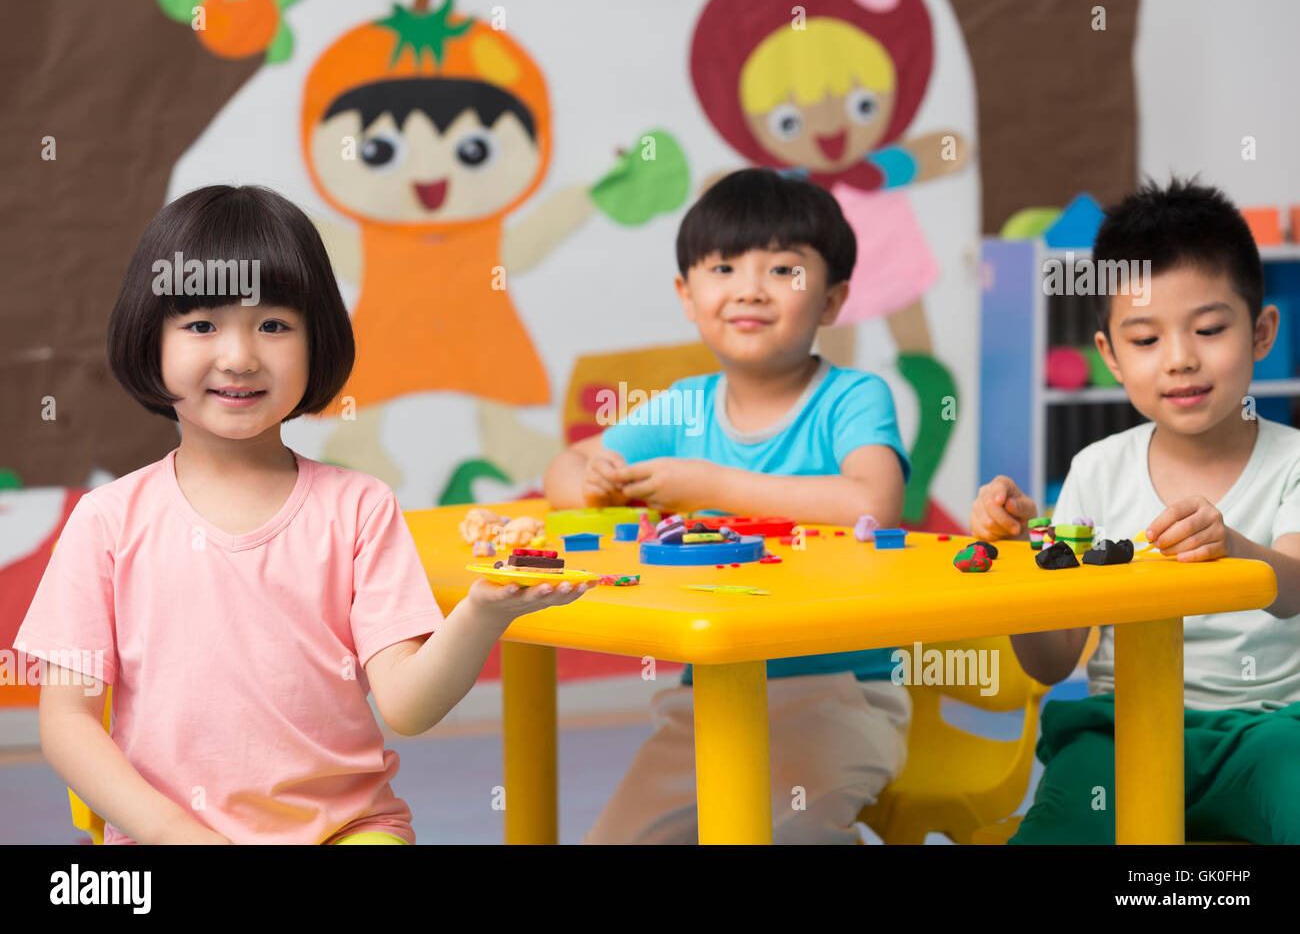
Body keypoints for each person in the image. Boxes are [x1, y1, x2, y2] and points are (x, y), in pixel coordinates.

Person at [15, 185, 592, 845]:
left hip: (348, 829)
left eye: (274, 325)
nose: (239, 356)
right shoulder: (106, 521)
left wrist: (482, 614)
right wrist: (175, 832)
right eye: (202, 324)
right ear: (151, 340)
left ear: (318, 341)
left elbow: (407, 706)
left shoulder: (360, 509)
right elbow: (67, 722)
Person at [544, 167, 913, 843]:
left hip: (842, 695)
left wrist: (710, 487)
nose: (749, 288)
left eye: (782, 270)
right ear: (688, 295)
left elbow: (872, 504)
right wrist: (594, 480)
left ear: (832, 300)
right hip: (706, 704)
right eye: (723, 267)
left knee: (788, 832)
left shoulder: (852, 398)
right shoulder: (685, 404)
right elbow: (562, 470)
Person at [970, 177, 1300, 844]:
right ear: (1111, 358)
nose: (1180, 359)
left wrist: (1234, 549)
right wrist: (1023, 561)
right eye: (1145, 340)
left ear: (1262, 331)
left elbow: (1293, 586)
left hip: (1271, 728)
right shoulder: (1097, 469)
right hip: (1123, 727)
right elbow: (1050, 663)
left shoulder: (1291, 459)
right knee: (1058, 831)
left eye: (1209, 329)